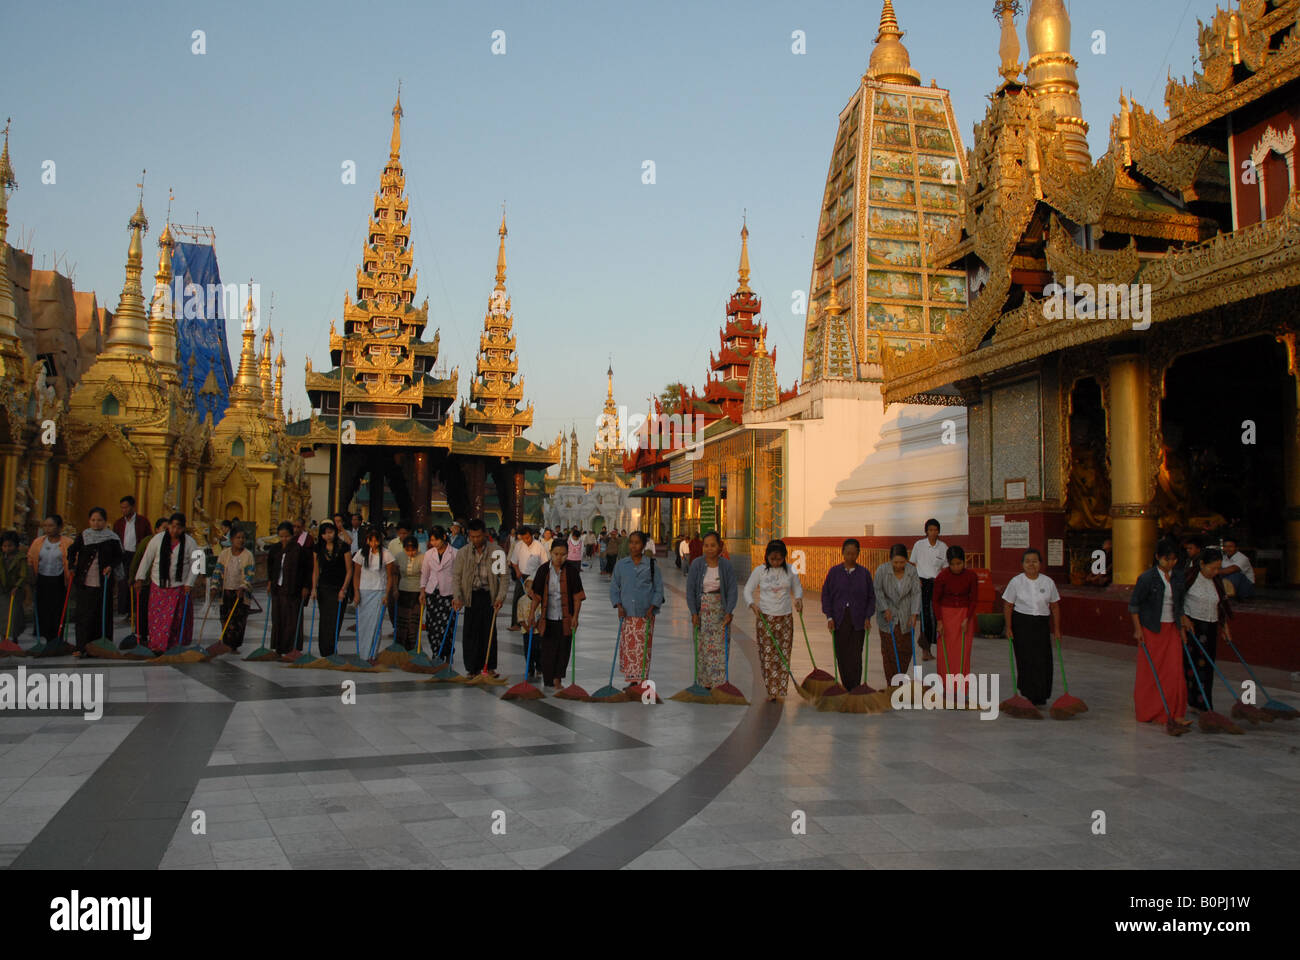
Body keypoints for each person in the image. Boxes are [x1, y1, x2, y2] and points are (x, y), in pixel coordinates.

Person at [1130, 539, 1190, 726]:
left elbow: (1179, 604)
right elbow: (1134, 606)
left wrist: (1183, 623)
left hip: (1172, 628)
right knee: (1151, 673)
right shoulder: (1147, 578)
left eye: (1173, 560)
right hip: (1152, 629)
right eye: (1166, 559)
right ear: (1157, 557)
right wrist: (1138, 630)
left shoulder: (1179, 577)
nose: (1170, 563)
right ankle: (1150, 712)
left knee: (1175, 672)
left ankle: (1175, 713)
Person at [742, 539, 803, 701]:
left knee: (783, 654)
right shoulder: (760, 571)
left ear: (784, 557)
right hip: (765, 618)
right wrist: (752, 605)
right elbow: (747, 589)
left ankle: (781, 688)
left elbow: (797, 587)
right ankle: (771, 690)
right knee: (768, 655)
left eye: (779, 559)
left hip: (785, 618)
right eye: (772, 559)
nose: (776, 562)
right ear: (766, 557)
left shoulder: (790, 570)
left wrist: (798, 599)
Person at [1003, 547, 1062, 707]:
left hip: (1041, 624)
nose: (1031, 565)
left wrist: (1056, 629)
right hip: (1021, 623)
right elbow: (1008, 605)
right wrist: (1008, 627)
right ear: (1022, 564)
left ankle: (1042, 694)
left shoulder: (1048, 582)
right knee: (1025, 658)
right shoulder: (1016, 582)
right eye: (1028, 562)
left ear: (1040, 564)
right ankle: (1028, 692)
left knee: (1043, 659)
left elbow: (1055, 606)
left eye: (1034, 561)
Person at [134, 513, 202, 651]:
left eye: (178, 527)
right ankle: (157, 645)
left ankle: (174, 646)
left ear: (183, 529)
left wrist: (190, 583)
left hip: (179, 586)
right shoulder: (157, 539)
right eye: (172, 526)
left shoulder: (190, 542)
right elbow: (147, 558)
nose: (174, 530)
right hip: (158, 584)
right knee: (158, 619)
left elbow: (198, 564)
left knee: (175, 619)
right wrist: (139, 578)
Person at [452, 518, 510, 677]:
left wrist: (500, 597)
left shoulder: (496, 552)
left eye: (478, 536)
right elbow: (456, 576)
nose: (475, 540)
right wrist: (457, 597)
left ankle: (489, 667)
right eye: (472, 536)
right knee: (470, 632)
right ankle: (472, 668)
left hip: (488, 596)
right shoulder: (464, 552)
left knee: (488, 632)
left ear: (484, 534)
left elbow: (504, 577)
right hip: (471, 596)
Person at [66, 507, 126, 655]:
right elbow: (72, 551)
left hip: (103, 581)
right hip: (85, 580)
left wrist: (110, 566)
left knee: (102, 613)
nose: (96, 523)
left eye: (99, 520)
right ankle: (82, 646)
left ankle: (101, 646)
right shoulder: (84, 536)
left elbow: (119, 556)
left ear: (105, 522)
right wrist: (72, 565)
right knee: (84, 614)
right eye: (93, 520)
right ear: (89, 521)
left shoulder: (112, 538)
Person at [528, 538, 586, 689]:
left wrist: (575, 617)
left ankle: (557, 679)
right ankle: (548, 679)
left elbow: (577, 597)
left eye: (563, 554)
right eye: (556, 554)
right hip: (548, 617)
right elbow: (536, 595)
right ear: (550, 553)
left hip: (565, 617)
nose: (559, 558)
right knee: (547, 650)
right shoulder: (543, 570)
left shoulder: (572, 571)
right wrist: (531, 613)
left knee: (563, 649)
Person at [610, 531, 665, 688]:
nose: (633, 546)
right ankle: (632, 681)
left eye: (637, 543)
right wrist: (618, 605)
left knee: (643, 648)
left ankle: (642, 681)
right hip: (627, 614)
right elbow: (614, 587)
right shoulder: (621, 565)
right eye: (631, 542)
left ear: (643, 545)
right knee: (630, 648)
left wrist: (653, 607)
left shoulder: (651, 565)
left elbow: (658, 589)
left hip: (645, 614)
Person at [684, 531, 738, 689]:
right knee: (703, 647)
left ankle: (719, 684)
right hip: (702, 612)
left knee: (720, 647)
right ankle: (705, 683)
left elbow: (732, 590)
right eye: (706, 545)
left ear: (720, 546)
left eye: (713, 545)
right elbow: (690, 590)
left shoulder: (726, 565)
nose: (709, 549)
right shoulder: (696, 564)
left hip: (720, 611)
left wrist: (729, 611)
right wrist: (694, 612)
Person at [820, 538, 875, 688]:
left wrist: (868, 616)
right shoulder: (834, 572)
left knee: (855, 655)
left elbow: (871, 597)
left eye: (854, 553)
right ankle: (847, 685)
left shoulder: (864, 573)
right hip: (839, 619)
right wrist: (829, 617)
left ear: (858, 554)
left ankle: (855, 687)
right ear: (842, 553)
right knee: (842, 654)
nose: (851, 556)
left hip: (858, 620)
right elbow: (826, 595)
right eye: (848, 553)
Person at [1183, 547, 1231, 713]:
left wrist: (1225, 628)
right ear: (1202, 564)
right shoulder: (1189, 577)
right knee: (1192, 665)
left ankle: (1205, 704)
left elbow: (1221, 606)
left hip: (1210, 627)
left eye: (1218, 568)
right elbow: (1176, 600)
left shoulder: (1216, 581)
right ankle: (1192, 702)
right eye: (1213, 568)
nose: (1215, 571)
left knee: (1207, 666)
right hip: (1193, 627)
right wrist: (1183, 618)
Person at [874, 544, 921, 683]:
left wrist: (914, 614)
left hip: (906, 615)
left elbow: (916, 592)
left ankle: (900, 678)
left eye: (902, 562)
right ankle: (892, 683)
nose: (899, 565)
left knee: (906, 650)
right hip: (887, 616)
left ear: (906, 560)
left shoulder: (912, 571)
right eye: (895, 562)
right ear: (890, 560)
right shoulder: (882, 570)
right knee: (889, 652)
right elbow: (877, 590)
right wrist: (884, 608)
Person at [267, 521, 312, 656]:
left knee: (292, 620)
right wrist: (270, 581)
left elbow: (307, 570)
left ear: (292, 536)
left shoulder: (299, 550)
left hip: (294, 589)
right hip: (278, 588)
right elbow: (271, 567)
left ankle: (292, 648)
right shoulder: (275, 549)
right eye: (281, 536)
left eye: (286, 536)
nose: (284, 539)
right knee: (278, 618)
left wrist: (306, 586)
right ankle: (279, 647)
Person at [932, 545, 978, 677]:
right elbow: (935, 600)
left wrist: (967, 618)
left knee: (963, 651)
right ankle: (945, 683)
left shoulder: (971, 576)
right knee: (945, 651)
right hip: (946, 616)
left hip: (964, 615)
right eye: (952, 564)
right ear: (948, 563)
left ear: (964, 562)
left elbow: (973, 600)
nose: (956, 567)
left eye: (959, 563)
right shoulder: (942, 576)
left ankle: (961, 682)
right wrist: (939, 621)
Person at [28, 514, 72, 645]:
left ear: (59, 527)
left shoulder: (67, 542)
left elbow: (72, 560)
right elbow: (30, 558)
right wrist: (32, 577)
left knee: (57, 609)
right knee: (43, 608)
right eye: (45, 526)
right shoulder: (38, 542)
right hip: (42, 578)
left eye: (51, 525)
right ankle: (44, 636)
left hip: (59, 580)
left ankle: (57, 636)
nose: (48, 529)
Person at [353, 527, 396, 656]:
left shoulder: (386, 554)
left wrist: (387, 594)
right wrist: (356, 592)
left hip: (379, 591)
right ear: (367, 541)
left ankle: (372, 654)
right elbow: (356, 575)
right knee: (363, 624)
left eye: (375, 541)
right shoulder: (361, 553)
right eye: (370, 541)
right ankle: (363, 654)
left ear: (380, 541)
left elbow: (390, 576)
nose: (373, 544)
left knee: (376, 624)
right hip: (364, 591)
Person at [311, 521, 352, 657]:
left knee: (336, 619)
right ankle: (324, 651)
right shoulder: (318, 548)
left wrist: (344, 589)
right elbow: (316, 570)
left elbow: (349, 570)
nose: (328, 536)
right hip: (324, 587)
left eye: (330, 532)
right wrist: (314, 589)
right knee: (325, 620)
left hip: (339, 587)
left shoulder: (343, 547)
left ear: (335, 532)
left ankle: (332, 649)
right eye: (325, 533)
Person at [909, 519, 946, 661]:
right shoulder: (919, 545)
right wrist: (915, 579)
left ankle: (940, 649)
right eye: (930, 530)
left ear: (939, 531)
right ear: (926, 531)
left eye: (935, 529)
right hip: (922, 583)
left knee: (937, 615)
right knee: (924, 617)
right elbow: (912, 564)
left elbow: (945, 567)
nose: (933, 532)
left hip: (937, 583)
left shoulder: (943, 547)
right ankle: (926, 649)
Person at [420, 524, 458, 660]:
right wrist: (422, 591)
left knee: (446, 625)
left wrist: (458, 595)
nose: (434, 543)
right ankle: (436, 652)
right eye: (432, 540)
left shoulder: (454, 553)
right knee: (432, 626)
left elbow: (458, 575)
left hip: (449, 593)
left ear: (443, 537)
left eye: (436, 540)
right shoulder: (429, 554)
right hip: (432, 593)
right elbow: (425, 573)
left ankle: (447, 652)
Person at [215, 526, 256, 651]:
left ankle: (234, 645)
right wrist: (214, 586)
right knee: (225, 618)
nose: (241, 540)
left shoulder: (248, 555)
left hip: (240, 594)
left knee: (238, 620)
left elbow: (250, 575)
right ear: (231, 539)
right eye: (238, 537)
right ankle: (225, 643)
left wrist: (243, 587)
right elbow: (218, 571)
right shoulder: (224, 554)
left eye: (243, 538)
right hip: (226, 591)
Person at [128, 518, 167, 648]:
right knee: (143, 609)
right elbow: (138, 559)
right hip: (145, 582)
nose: (166, 532)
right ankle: (141, 635)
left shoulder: (170, 543)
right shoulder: (148, 541)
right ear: (156, 529)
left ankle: (155, 635)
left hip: (160, 583)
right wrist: (133, 578)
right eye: (164, 528)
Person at [113, 495, 151, 619]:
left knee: (137, 583)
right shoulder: (119, 523)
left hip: (137, 555)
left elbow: (147, 539)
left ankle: (135, 611)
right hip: (123, 555)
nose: (124, 510)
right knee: (124, 584)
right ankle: (126, 610)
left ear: (132, 507)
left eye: (126, 507)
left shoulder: (143, 521)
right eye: (122, 508)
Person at [508, 526, 547, 635]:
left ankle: (536, 622)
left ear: (532, 535)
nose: (526, 540)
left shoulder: (539, 546)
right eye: (524, 538)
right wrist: (517, 571)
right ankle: (515, 623)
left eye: (528, 537)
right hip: (522, 576)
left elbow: (544, 564)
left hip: (535, 577)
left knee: (535, 600)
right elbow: (514, 562)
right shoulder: (518, 546)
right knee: (517, 598)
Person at [394, 535, 424, 650]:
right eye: (408, 550)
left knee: (413, 621)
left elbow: (425, 576)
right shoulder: (399, 556)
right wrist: (395, 589)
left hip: (417, 591)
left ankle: (413, 647)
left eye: (413, 550)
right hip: (403, 591)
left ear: (417, 548)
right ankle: (400, 648)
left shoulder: (423, 557)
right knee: (402, 621)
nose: (411, 553)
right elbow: (395, 574)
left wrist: (423, 592)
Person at [387, 520, 417, 630]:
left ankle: (407, 627)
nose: (403, 535)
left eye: (405, 533)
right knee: (392, 602)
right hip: (395, 574)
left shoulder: (415, 543)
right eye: (401, 533)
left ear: (409, 533)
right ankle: (396, 627)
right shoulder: (392, 544)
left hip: (410, 575)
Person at [1, 531, 29, 641]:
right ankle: (4, 638)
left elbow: (23, 575)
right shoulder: (1, 558)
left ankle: (15, 637)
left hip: (16, 590)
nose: (7, 549)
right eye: (4, 546)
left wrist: (17, 586)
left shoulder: (21, 558)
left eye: (10, 546)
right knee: (3, 614)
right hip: (3, 589)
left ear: (16, 545)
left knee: (14, 614)